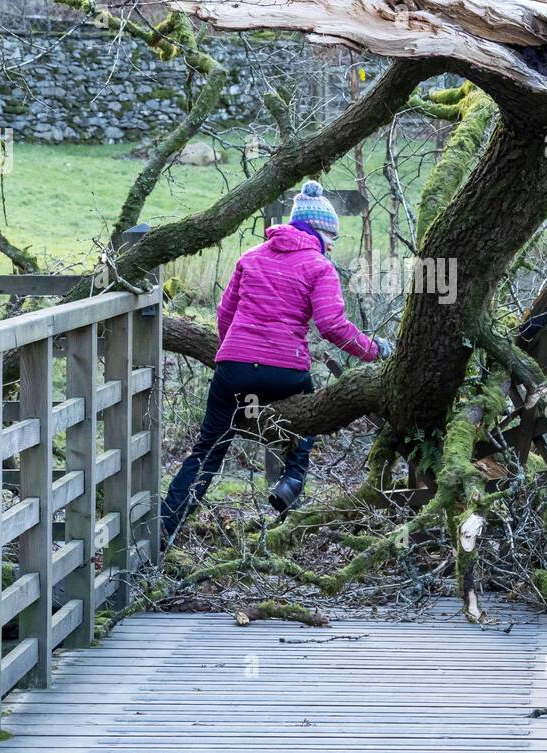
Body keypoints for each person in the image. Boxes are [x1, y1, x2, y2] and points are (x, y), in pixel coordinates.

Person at [161, 181, 390, 540]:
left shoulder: (251, 257)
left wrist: (235, 351)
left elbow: (225, 314)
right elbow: (332, 326)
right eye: (331, 236)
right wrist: (374, 349)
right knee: (313, 409)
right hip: (285, 373)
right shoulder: (319, 266)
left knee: (207, 451)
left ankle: (163, 529)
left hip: (234, 370)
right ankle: (293, 477)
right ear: (316, 231)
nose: (332, 244)